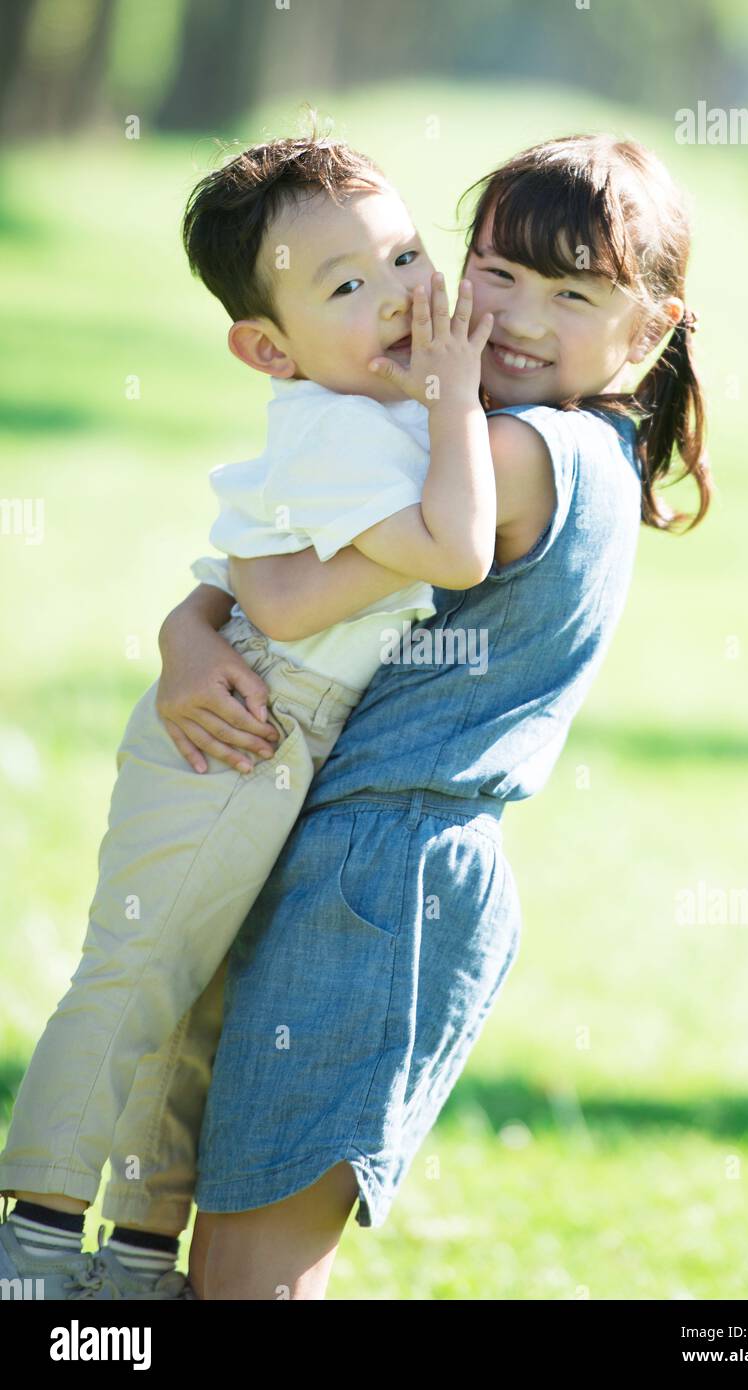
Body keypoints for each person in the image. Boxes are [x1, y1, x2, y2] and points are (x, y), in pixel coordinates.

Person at [4, 132, 713, 1301]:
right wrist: (192, 628)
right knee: (215, 1243)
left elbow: (285, 588)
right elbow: (285, 565)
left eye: (573, 292)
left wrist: (209, 617)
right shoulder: (487, 433)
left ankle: (37, 1245)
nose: (519, 319)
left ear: (648, 328)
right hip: (347, 858)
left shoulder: (508, 449)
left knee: (248, 1274)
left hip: (379, 883)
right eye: (498, 275)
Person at [0, 132, 498, 1301]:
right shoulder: (339, 422)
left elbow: (258, 571)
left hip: (279, 728)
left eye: (406, 256)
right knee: (140, 974)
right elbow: (459, 548)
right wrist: (460, 394)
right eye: (346, 287)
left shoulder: (391, 412)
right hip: (234, 728)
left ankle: (130, 1256)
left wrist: (213, 604)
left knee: (204, 1006)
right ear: (267, 348)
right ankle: (31, 1237)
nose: (400, 297)